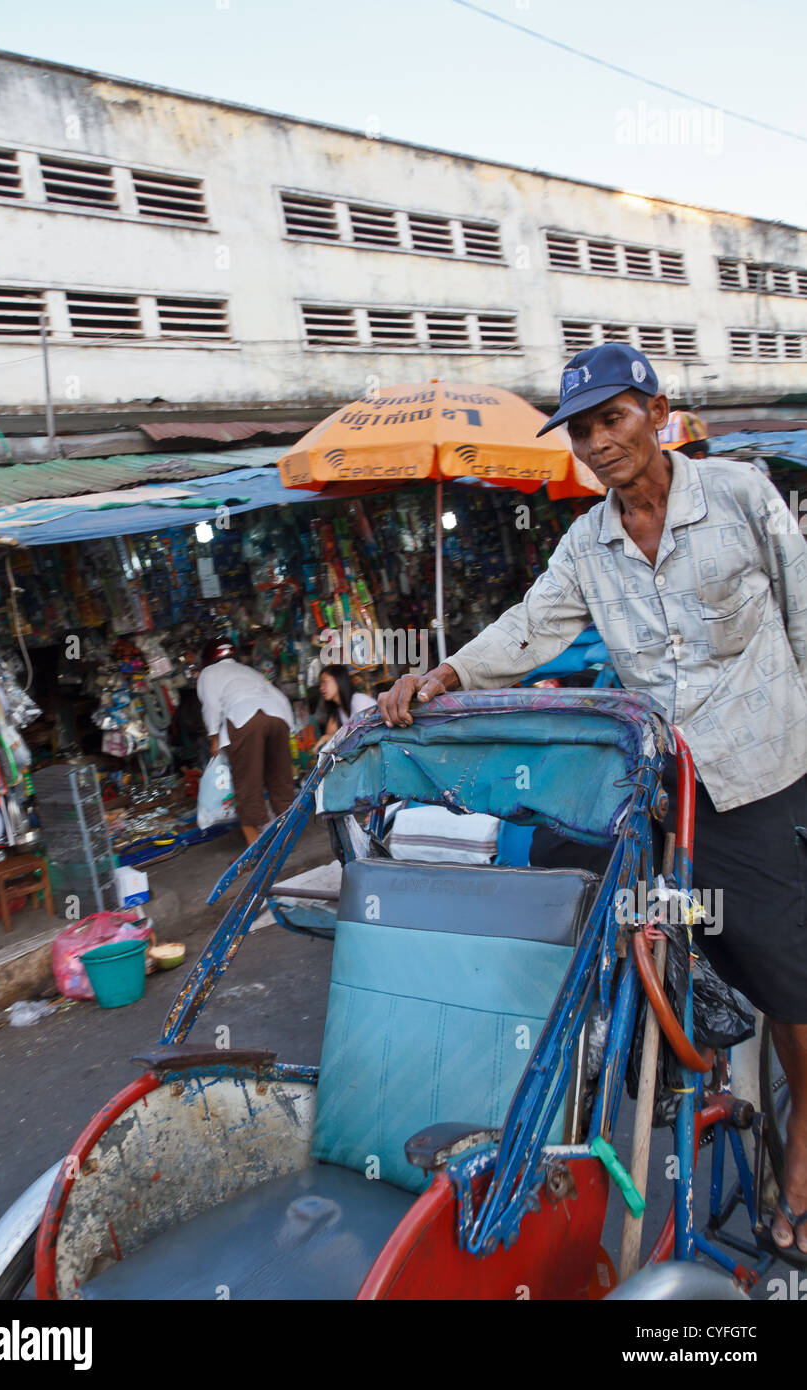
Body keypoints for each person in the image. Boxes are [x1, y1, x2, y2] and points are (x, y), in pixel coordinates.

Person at [379, 341, 807, 1260]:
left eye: (612, 419)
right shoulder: (588, 542)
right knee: (603, 927)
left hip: (761, 777)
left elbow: (804, 614)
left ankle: (804, 1158)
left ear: (659, 414)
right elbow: (533, 626)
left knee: (789, 981)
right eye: (582, 429)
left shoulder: (741, 496)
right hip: (659, 789)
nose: (598, 443)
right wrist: (447, 671)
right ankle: (630, 1114)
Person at [197, 636, 296, 847]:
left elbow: (211, 705)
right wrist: (290, 727)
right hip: (278, 717)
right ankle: (287, 838)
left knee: (247, 784)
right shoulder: (248, 670)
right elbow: (279, 696)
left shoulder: (208, 673)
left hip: (244, 720)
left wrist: (214, 736)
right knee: (281, 780)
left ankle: (254, 848)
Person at [313, 664, 376, 751]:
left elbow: (359, 736)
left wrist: (327, 738)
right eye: (320, 684)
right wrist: (326, 738)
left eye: (325, 681)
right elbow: (330, 736)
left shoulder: (358, 700)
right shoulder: (338, 711)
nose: (321, 688)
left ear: (338, 680)